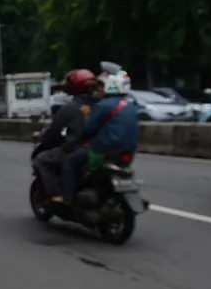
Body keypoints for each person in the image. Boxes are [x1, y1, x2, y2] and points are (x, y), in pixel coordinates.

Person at [61, 69, 140, 204]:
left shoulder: (103, 105)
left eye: (101, 86)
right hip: (128, 152)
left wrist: (86, 116)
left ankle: (67, 199)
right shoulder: (130, 105)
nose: (99, 90)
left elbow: (88, 130)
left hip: (103, 151)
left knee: (69, 162)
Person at [34, 69, 100, 202]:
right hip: (98, 147)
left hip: (76, 148)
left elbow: (54, 131)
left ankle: (57, 195)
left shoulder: (70, 107)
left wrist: (44, 138)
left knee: (41, 160)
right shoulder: (100, 105)